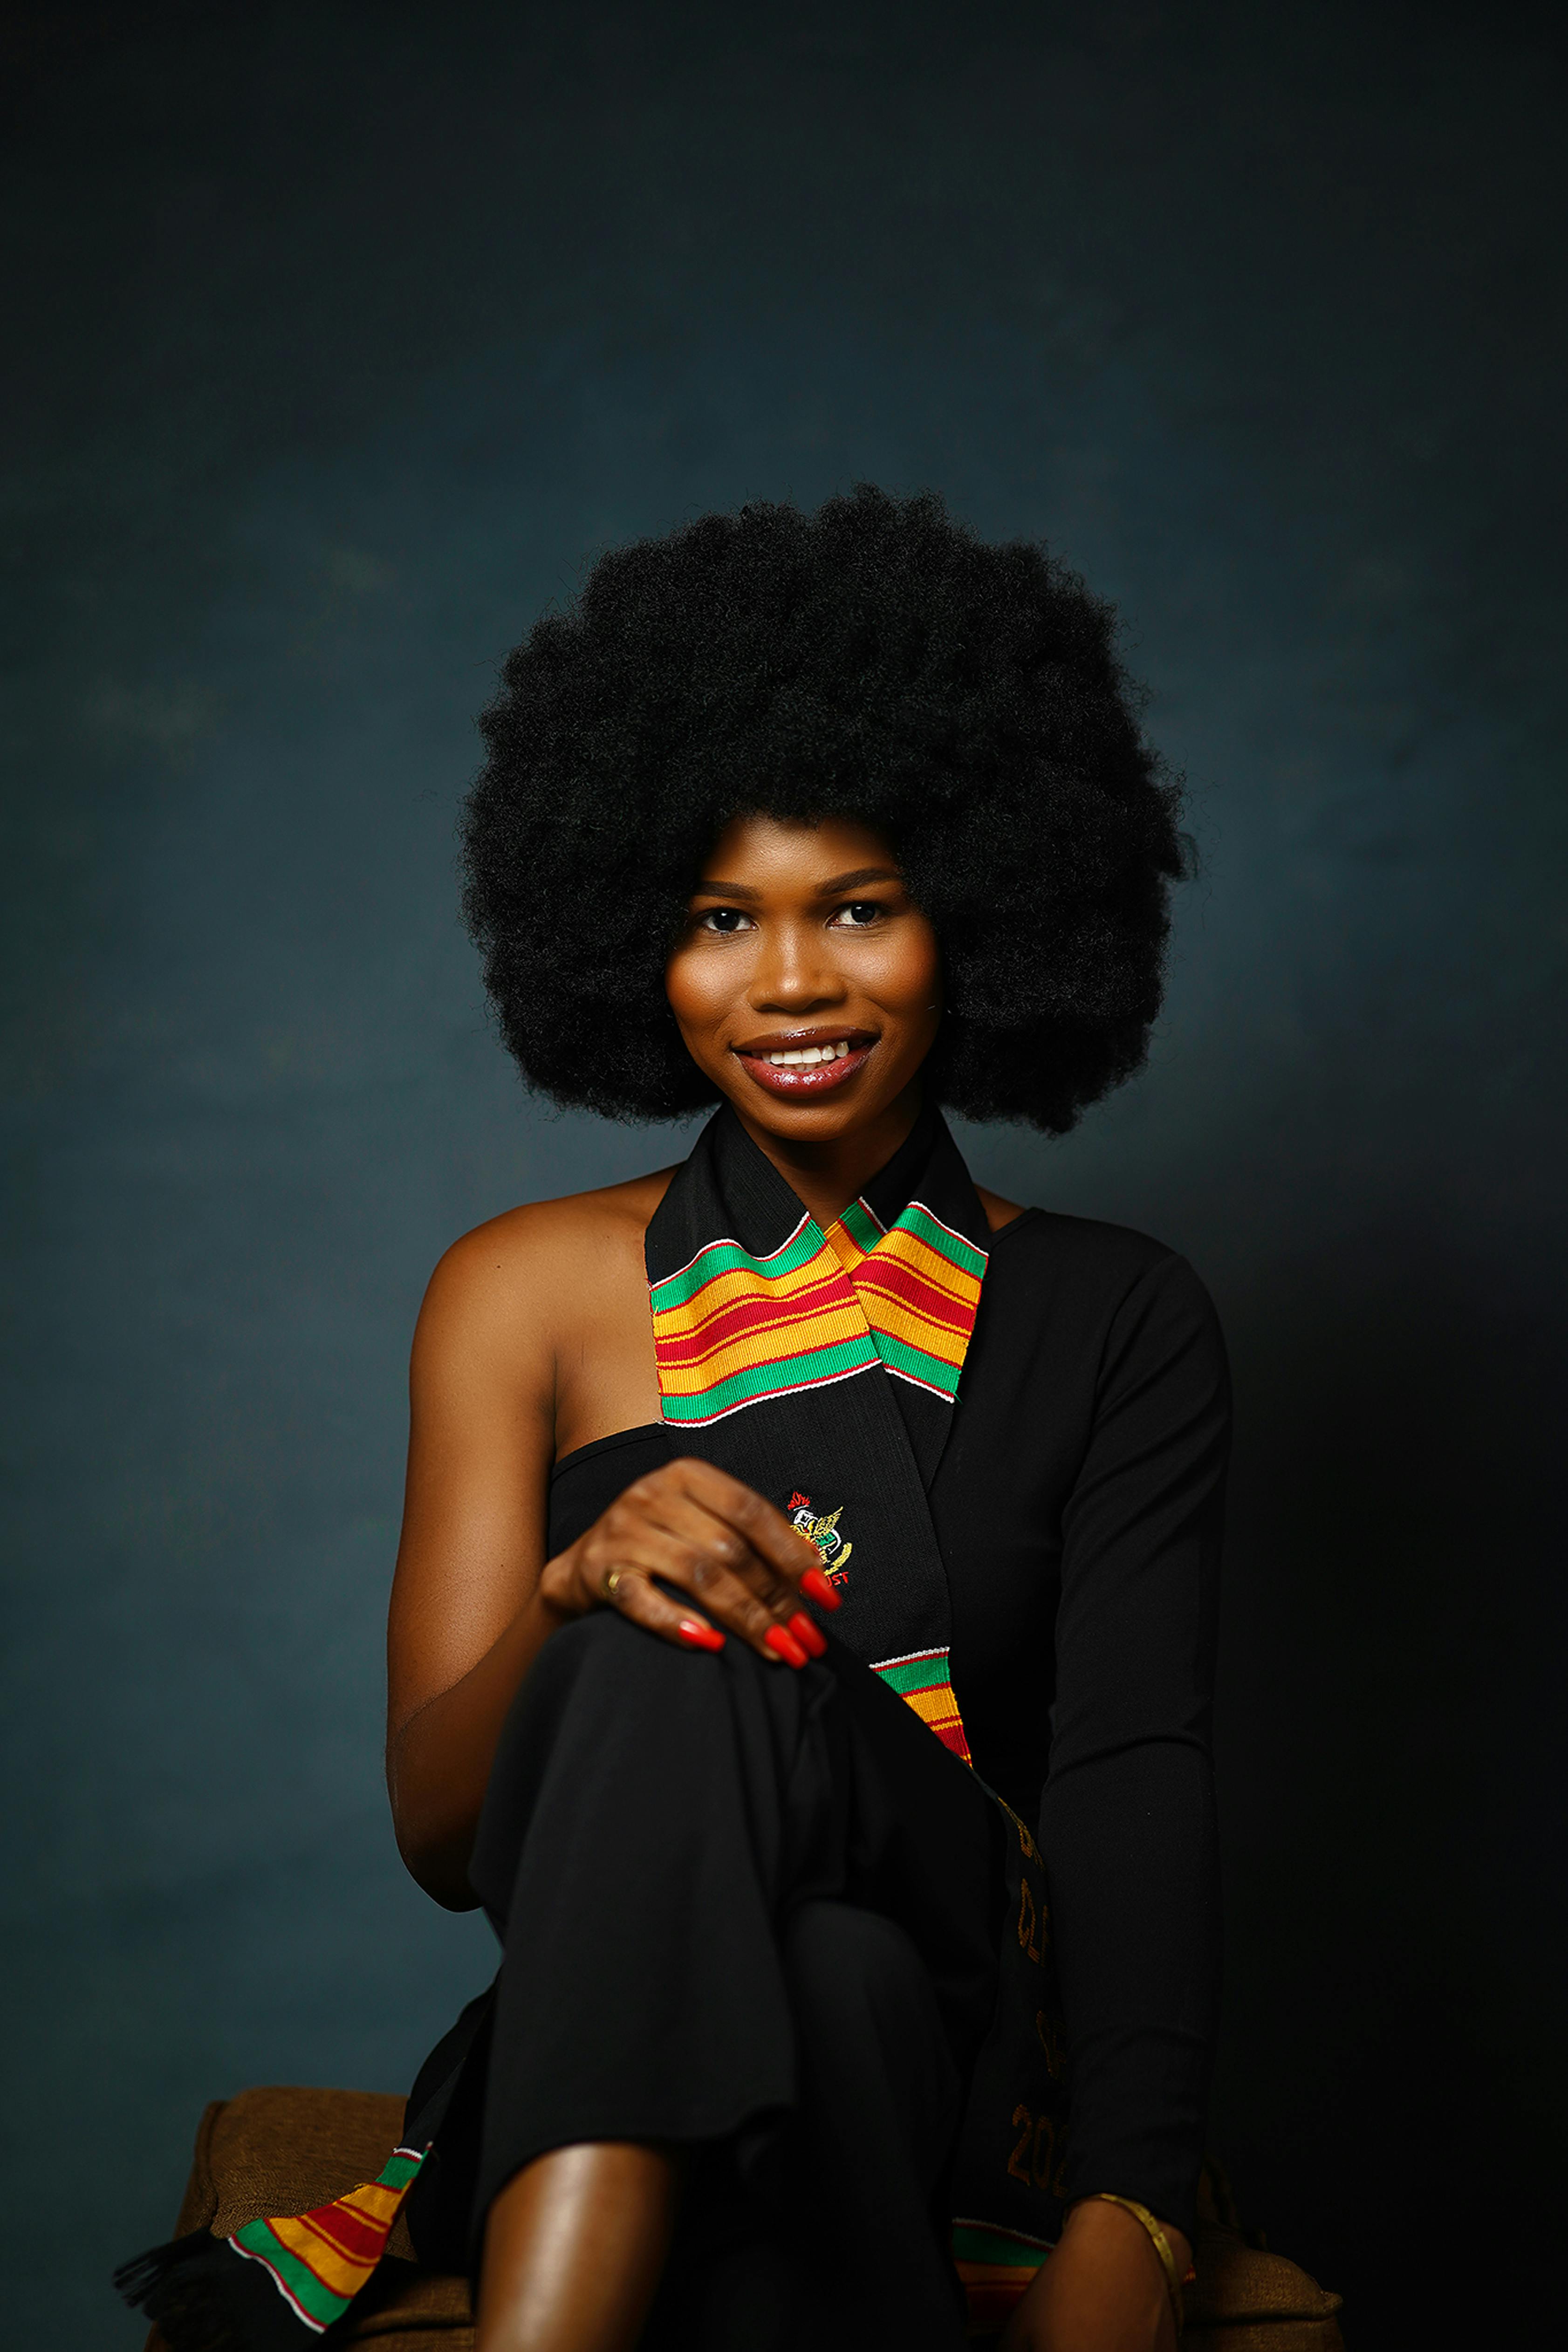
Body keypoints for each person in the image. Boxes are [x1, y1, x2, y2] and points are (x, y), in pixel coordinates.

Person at [387, 485, 1227, 2352]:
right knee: (807, 1940)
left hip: (981, 2008)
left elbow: (1129, 1775)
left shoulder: (1116, 1310)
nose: (785, 982)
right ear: (633, 939)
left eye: (857, 905)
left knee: (689, 1633)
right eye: (719, 917)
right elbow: (444, 1835)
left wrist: (1137, 2207)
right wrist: (570, 1590)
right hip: (748, 2006)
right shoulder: (516, 1289)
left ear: (977, 917)